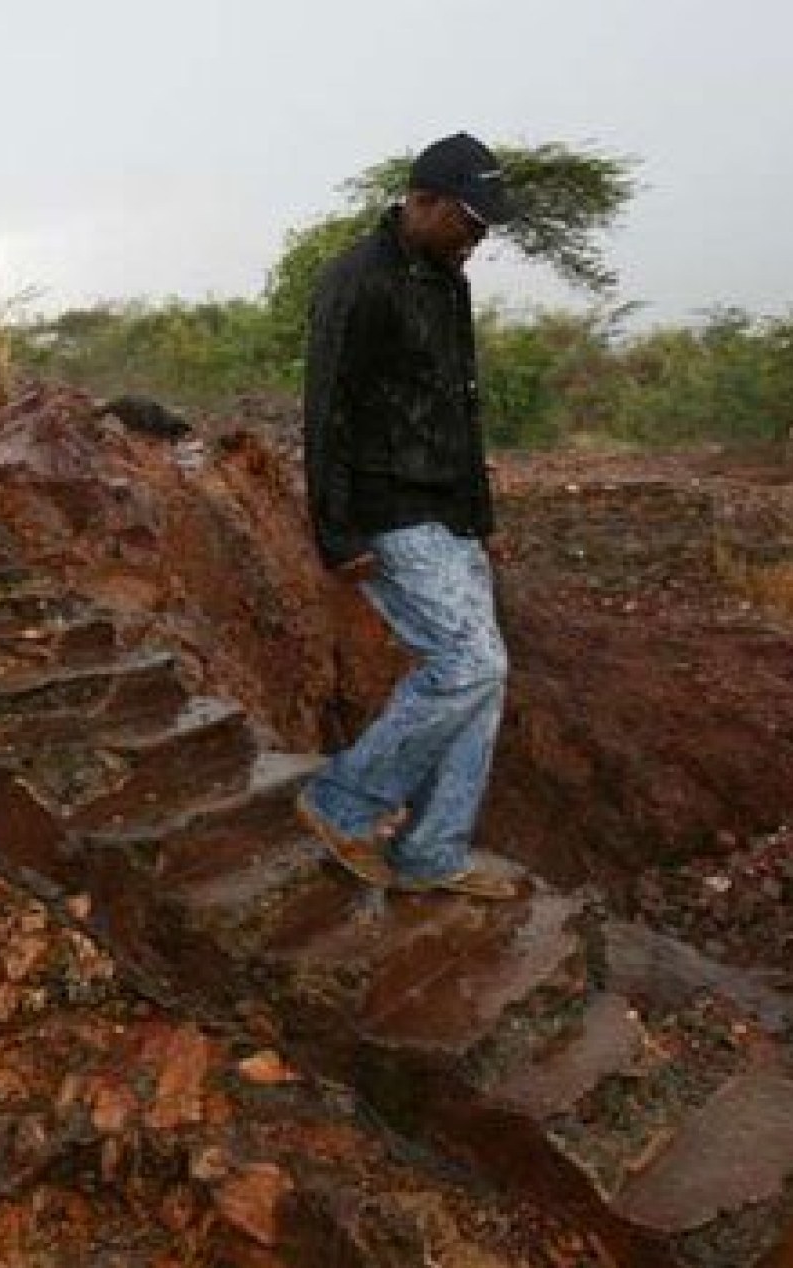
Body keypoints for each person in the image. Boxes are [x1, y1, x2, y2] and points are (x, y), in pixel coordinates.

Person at [295, 131, 525, 901]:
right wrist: (337, 532)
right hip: (388, 509)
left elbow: (461, 408)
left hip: (449, 511)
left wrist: (481, 516)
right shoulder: (355, 281)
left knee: (485, 680)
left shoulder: (446, 281)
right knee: (470, 665)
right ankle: (340, 805)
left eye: (486, 229)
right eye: (469, 221)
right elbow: (325, 410)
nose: (477, 240)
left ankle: (431, 853)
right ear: (421, 201)